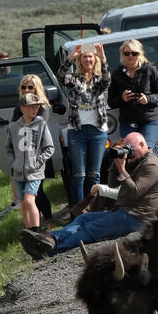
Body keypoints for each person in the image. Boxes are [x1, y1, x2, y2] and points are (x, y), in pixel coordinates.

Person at [20, 132, 158, 259]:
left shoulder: (152, 166)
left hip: (137, 218)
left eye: (130, 149)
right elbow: (114, 185)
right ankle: (51, 239)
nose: (129, 153)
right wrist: (115, 164)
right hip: (125, 212)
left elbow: (134, 193)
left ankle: (49, 252)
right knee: (84, 218)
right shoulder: (138, 161)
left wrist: (122, 169)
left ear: (142, 144)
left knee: (91, 228)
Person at [57, 42, 112, 205]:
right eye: (84, 57)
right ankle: (78, 211)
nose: (87, 59)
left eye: (90, 57)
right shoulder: (74, 79)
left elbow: (108, 79)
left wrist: (103, 57)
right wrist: (69, 58)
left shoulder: (100, 79)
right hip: (77, 131)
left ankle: (93, 208)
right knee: (78, 174)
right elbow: (60, 76)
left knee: (94, 174)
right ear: (80, 61)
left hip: (97, 131)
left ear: (95, 60)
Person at [7, 92, 55, 230]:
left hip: (35, 172)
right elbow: (9, 148)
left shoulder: (41, 124)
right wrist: (13, 163)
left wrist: (38, 162)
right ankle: (29, 233)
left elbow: (50, 148)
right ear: (22, 108)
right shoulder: (13, 127)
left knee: (29, 200)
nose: (34, 109)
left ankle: (36, 230)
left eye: (36, 107)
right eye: (30, 107)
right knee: (23, 203)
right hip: (18, 172)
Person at [109, 39, 158, 148]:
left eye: (134, 53)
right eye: (127, 53)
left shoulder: (150, 70)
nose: (130, 56)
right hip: (128, 121)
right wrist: (122, 99)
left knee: (145, 150)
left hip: (149, 119)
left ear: (140, 54)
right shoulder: (116, 75)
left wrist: (147, 99)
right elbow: (111, 102)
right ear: (122, 55)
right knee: (129, 152)